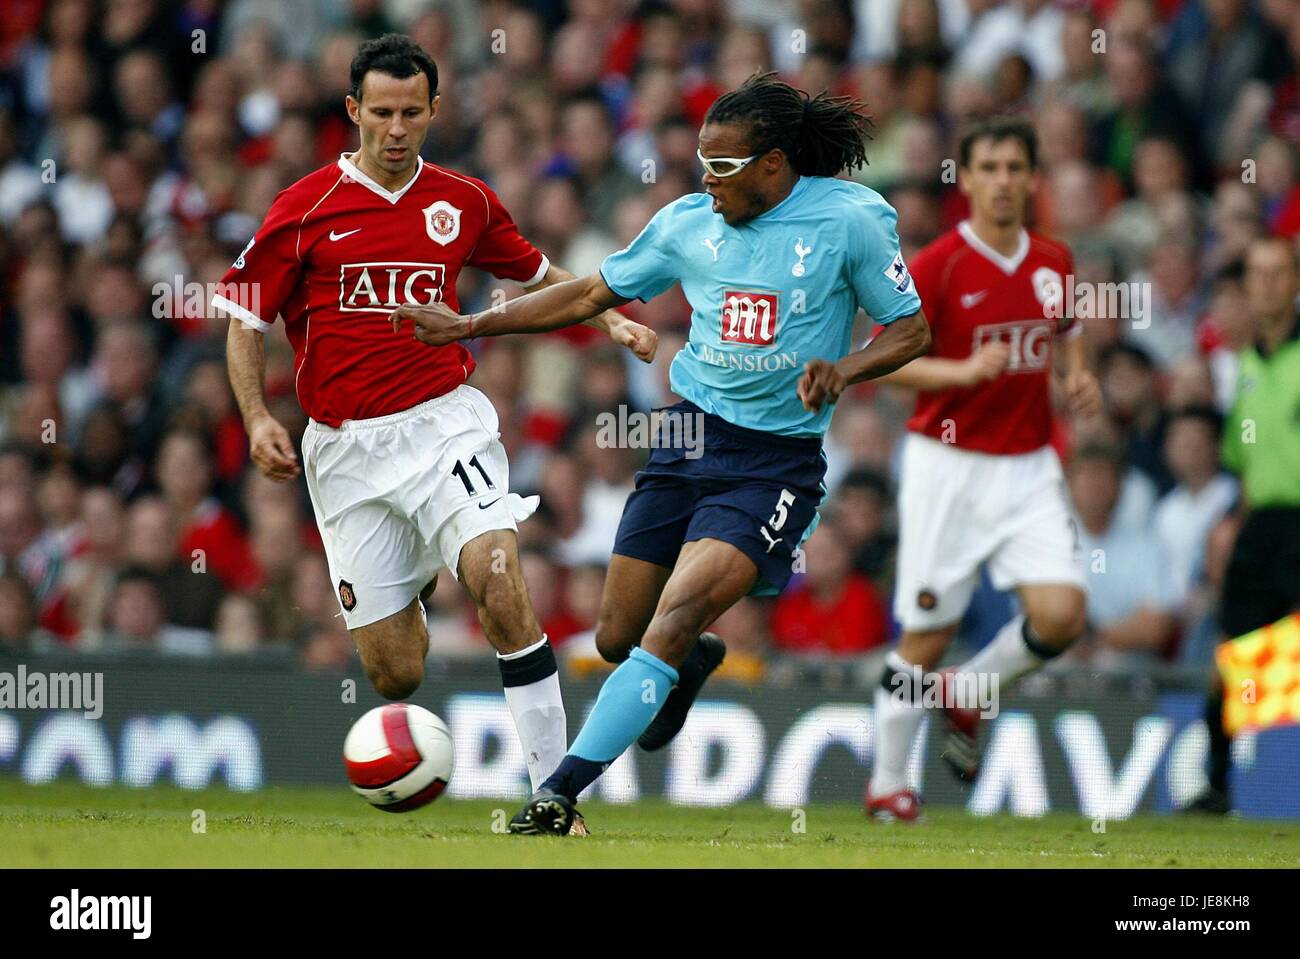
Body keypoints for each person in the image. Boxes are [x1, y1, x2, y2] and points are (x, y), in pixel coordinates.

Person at [391, 71, 931, 834]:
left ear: (774, 164)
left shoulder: (851, 220)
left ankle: (557, 793)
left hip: (774, 463)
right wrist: (473, 325)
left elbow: (911, 329)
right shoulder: (686, 223)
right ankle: (690, 660)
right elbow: (589, 295)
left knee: (669, 619)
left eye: (724, 165)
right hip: (687, 439)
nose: (707, 179)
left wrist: (845, 369)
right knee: (617, 636)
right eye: (703, 162)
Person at [216, 34, 656, 827]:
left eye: (411, 113)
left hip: (443, 426)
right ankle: (416, 570)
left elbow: (540, 276)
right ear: (353, 110)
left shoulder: (465, 202)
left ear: (434, 111)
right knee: (396, 675)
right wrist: (255, 417)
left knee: (499, 581)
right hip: (344, 448)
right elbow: (243, 318)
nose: (396, 129)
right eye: (381, 112)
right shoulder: (303, 208)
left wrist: (612, 319)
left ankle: (554, 797)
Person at [865, 116, 1102, 821]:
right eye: (989, 168)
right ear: (964, 179)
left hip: (1029, 465)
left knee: (1062, 616)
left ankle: (969, 692)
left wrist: (1078, 376)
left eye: (1014, 168)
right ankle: (886, 783)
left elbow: (1069, 333)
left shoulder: (1055, 261)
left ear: (1033, 179)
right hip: (948, 466)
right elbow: (884, 362)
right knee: (926, 636)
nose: (1002, 181)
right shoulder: (938, 265)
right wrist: (962, 372)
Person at [1185, 236, 1300, 815]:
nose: (1269, 284)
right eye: (1259, 274)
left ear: (1295, 282)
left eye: (1279, 273)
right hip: (1263, 526)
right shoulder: (1247, 365)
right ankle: (1217, 784)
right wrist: (1235, 524)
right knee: (1230, 655)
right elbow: (1246, 461)